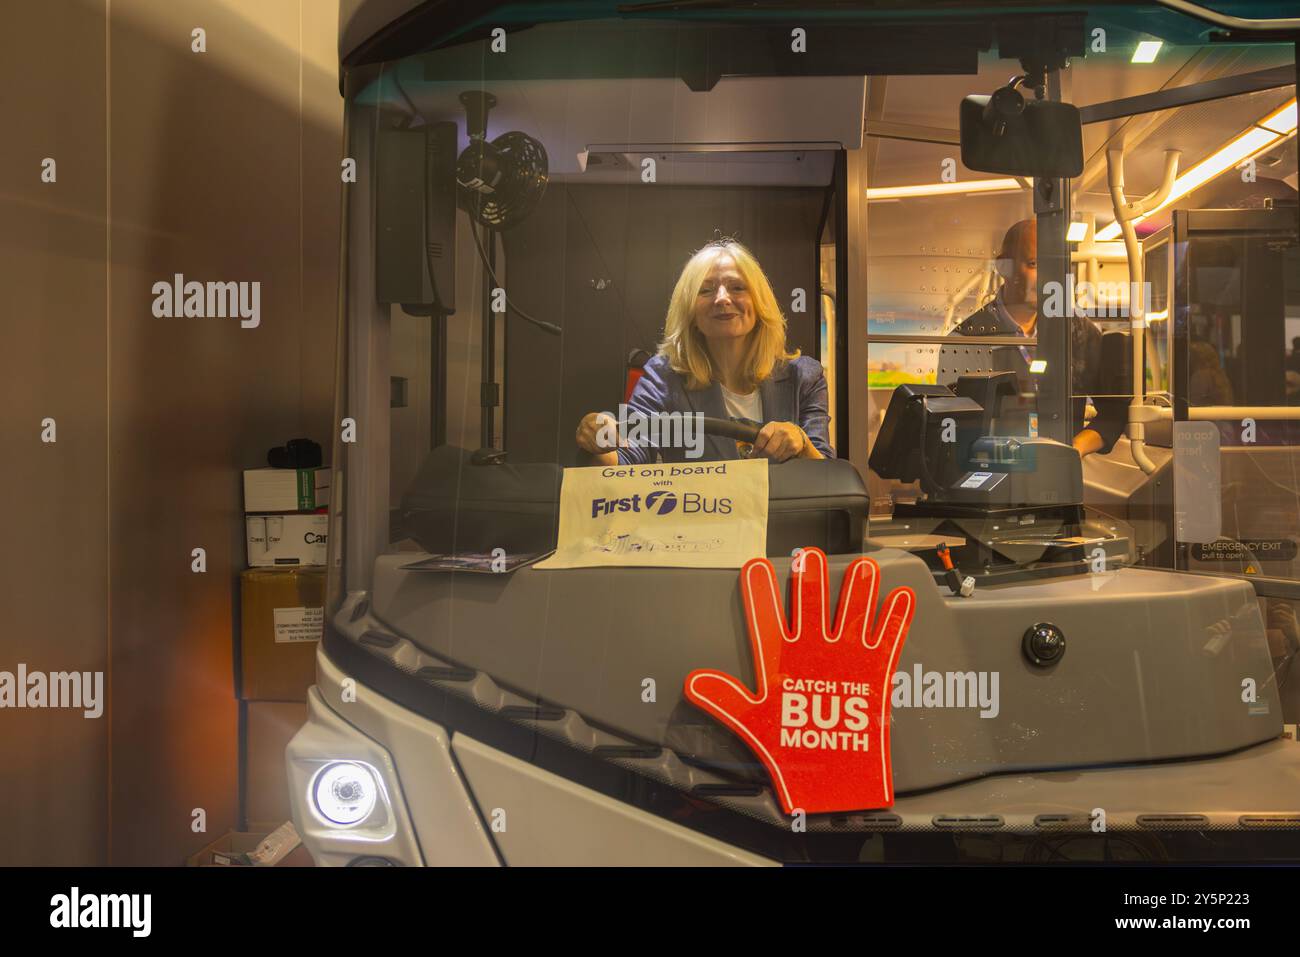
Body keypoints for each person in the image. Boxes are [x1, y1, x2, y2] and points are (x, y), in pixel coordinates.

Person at [575, 238, 834, 465]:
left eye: (737, 287)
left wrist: (801, 443)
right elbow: (627, 459)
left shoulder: (805, 377)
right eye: (706, 290)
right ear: (690, 311)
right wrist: (599, 440)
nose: (721, 298)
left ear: (759, 303)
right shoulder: (664, 376)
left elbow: (826, 479)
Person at [941, 219, 1127, 456]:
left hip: (1059, 485)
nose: (1048, 277)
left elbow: (1113, 412)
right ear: (1003, 267)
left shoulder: (1080, 332)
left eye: (1056, 266)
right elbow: (956, 430)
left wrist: (1074, 449)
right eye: (1034, 263)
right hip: (994, 480)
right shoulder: (966, 340)